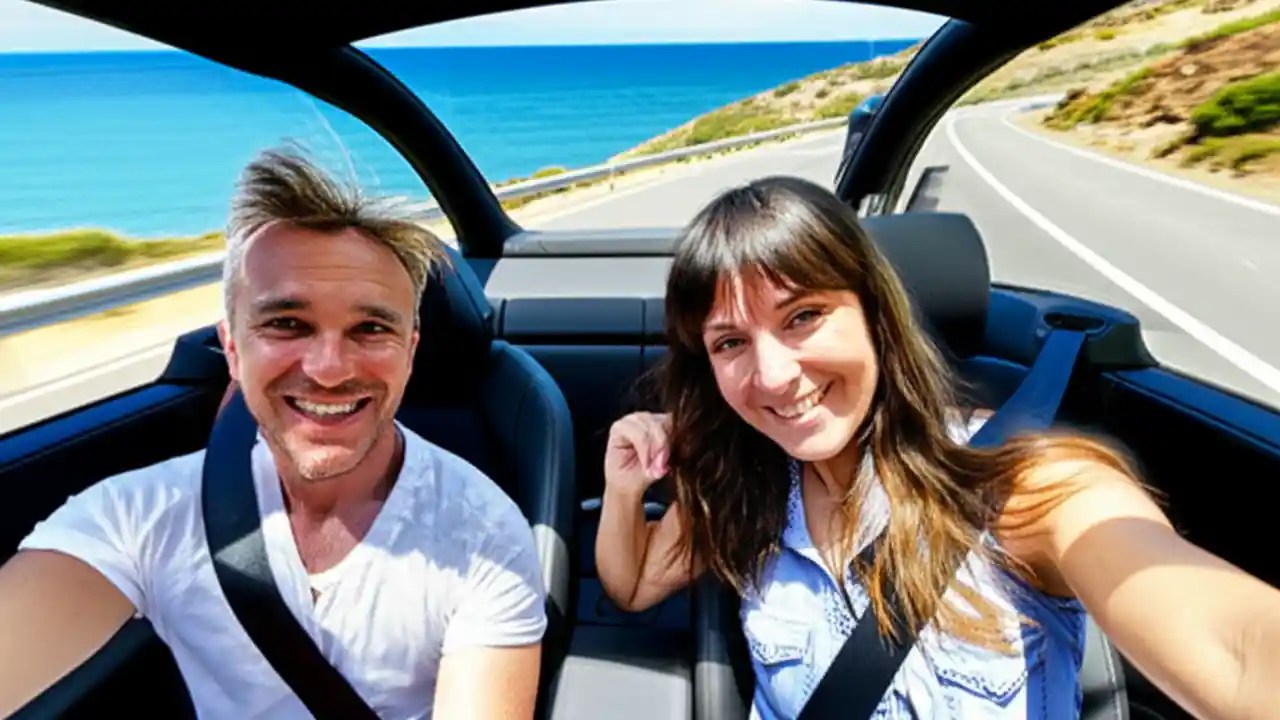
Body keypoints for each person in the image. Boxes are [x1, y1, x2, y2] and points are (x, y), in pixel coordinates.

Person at [595, 176, 1280, 720]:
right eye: (730, 343)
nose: (772, 375)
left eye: (803, 316)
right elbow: (632, 584)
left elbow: (1238, 652)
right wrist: (628, 484)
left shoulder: (1022, 486)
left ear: (875, 315)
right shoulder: (744, 486)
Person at [0, 148, 547, 719]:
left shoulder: (482, 533)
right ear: (232, 350)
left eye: (371, 328)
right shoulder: (139, 516)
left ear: (410, 352)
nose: (330, 368)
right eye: (287, 324)